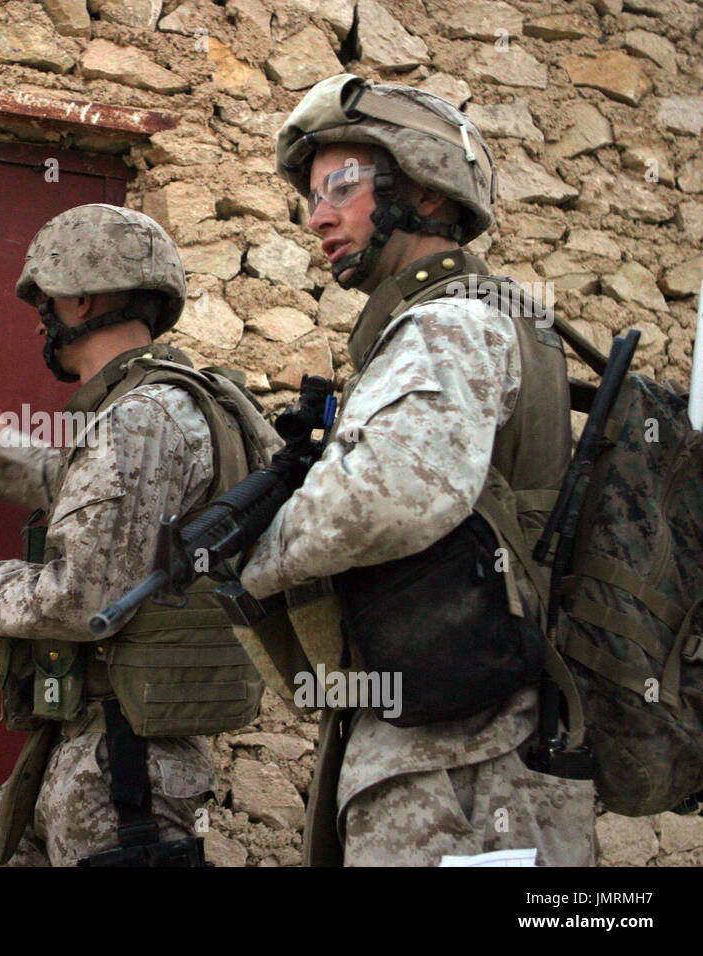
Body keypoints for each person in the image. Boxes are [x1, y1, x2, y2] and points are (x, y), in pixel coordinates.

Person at [237, 74, 596, 866]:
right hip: (459, 744)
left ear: (427, 192)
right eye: (312, 195)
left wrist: (248, 558)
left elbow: (389, 498)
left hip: (466, 767)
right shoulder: (461, 319)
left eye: (342, 186)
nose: (318, 214)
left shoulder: (451, 321)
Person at [0, 203, 276, 867]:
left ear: (78, 299)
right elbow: (123, 510)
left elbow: (81, 596)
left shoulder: (140, 416)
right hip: (91, 745)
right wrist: (10, 450)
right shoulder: (193, 402)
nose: (41, 320)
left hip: (119, 771)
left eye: (45, 300)